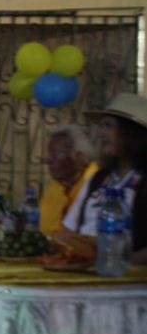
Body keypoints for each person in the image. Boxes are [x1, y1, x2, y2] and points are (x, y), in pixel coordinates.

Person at [62, 93, 147, 264]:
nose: (101, 133)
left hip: (131, 282)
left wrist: (119, 262)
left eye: (108, 126)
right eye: (101, 126)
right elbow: (68, 230)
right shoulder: (99, 178)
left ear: (132, 132)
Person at [39, 125, 98, 236]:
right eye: (49, 154)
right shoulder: (56, 186)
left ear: (79, 157)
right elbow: (42, 228)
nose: (47, 160)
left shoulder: (96, 185)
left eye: (56, 154)